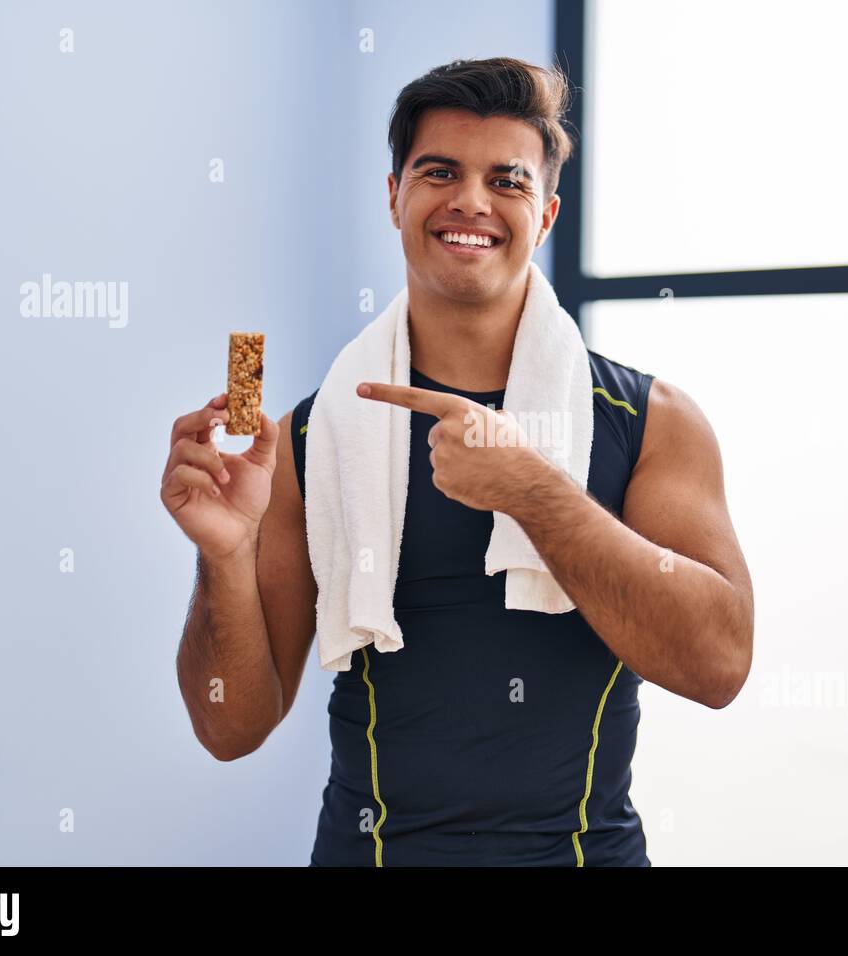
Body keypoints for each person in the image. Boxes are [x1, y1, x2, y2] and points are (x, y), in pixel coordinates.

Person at [159, 57, 754, 866]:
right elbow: (230, 727)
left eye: (505, 181)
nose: (470, 200)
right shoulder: (313, 437)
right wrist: (223, 556)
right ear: (394, 197)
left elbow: (719, 666)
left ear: (544, 216)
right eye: (439, 172)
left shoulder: (653, 423)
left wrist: (534, 493)